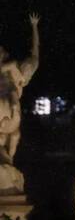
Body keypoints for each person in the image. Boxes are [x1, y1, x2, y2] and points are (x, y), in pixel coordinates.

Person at [0, 12, 40, 168]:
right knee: (16, 134)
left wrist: (34, 27)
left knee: (16, 134)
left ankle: (10, 159)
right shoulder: (10, 68)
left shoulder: (14, 70)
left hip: (11, 107)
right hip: (8, 109)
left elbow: (35, 54)